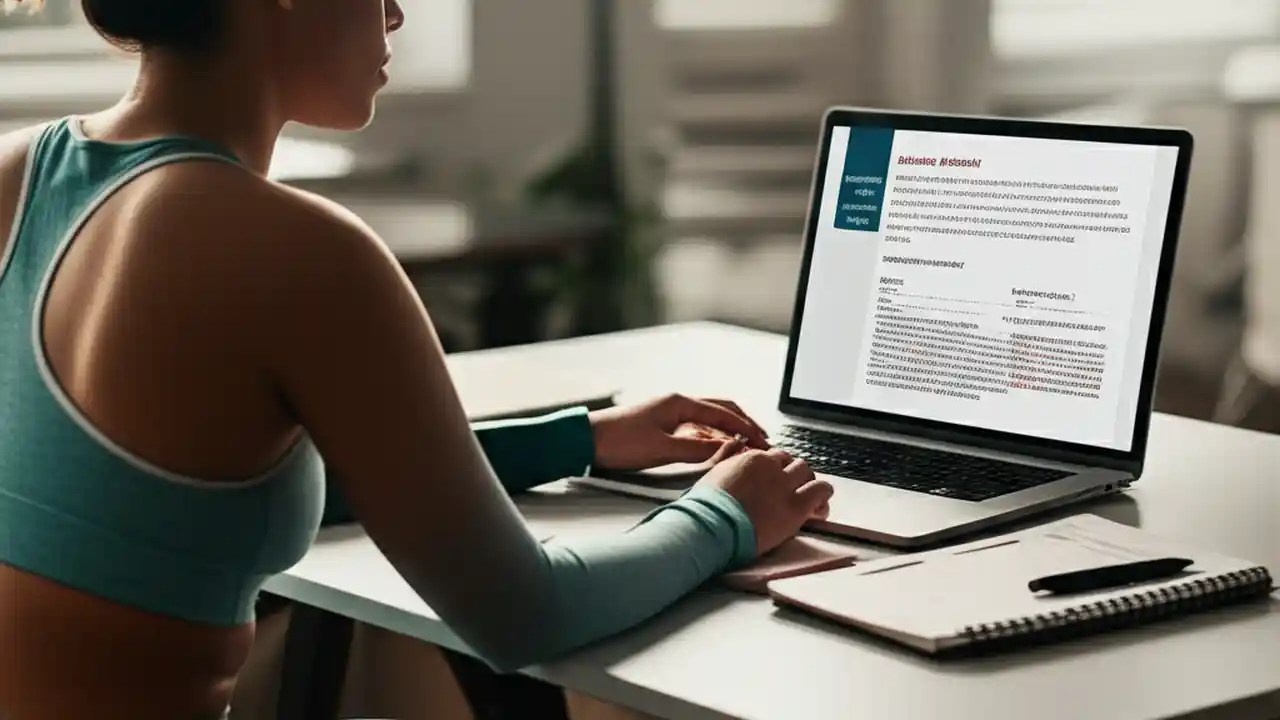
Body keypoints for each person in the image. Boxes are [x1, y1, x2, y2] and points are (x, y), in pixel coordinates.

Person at [0, 1, 834, 718]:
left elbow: (163, 496)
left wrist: (575, 440)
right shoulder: (302, 252)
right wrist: (725, 517)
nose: (398, 13)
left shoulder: (17, 171)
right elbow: (522, 613)